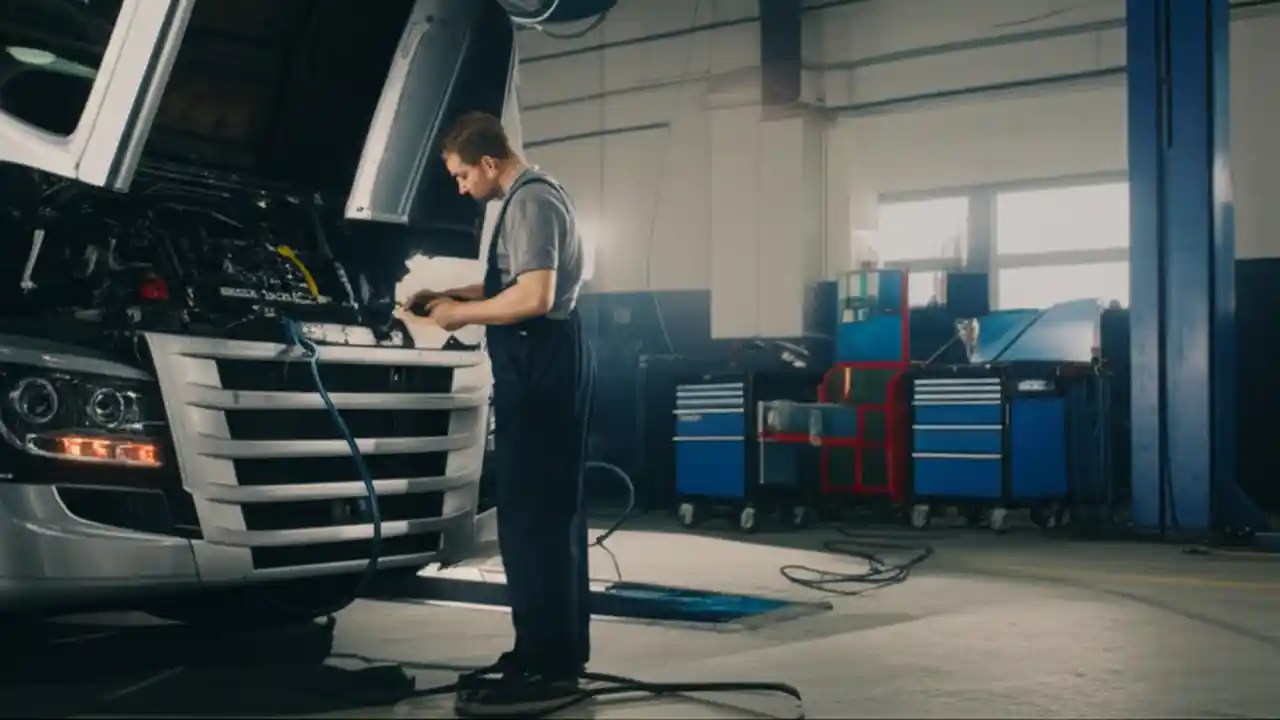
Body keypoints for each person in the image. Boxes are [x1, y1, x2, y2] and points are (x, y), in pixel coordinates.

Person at [395, 111, 595, 717]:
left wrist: (461, 317)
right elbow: (514, 282)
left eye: (461, 175)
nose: (460, 187)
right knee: (541, 516)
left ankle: (547, 666)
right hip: (543, 361)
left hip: (542, 364)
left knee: (532, 517)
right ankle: (545, 652)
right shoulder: (529, 197)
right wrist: (451, 297)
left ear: (489, 163)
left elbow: (535, 297)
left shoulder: (531, 201)